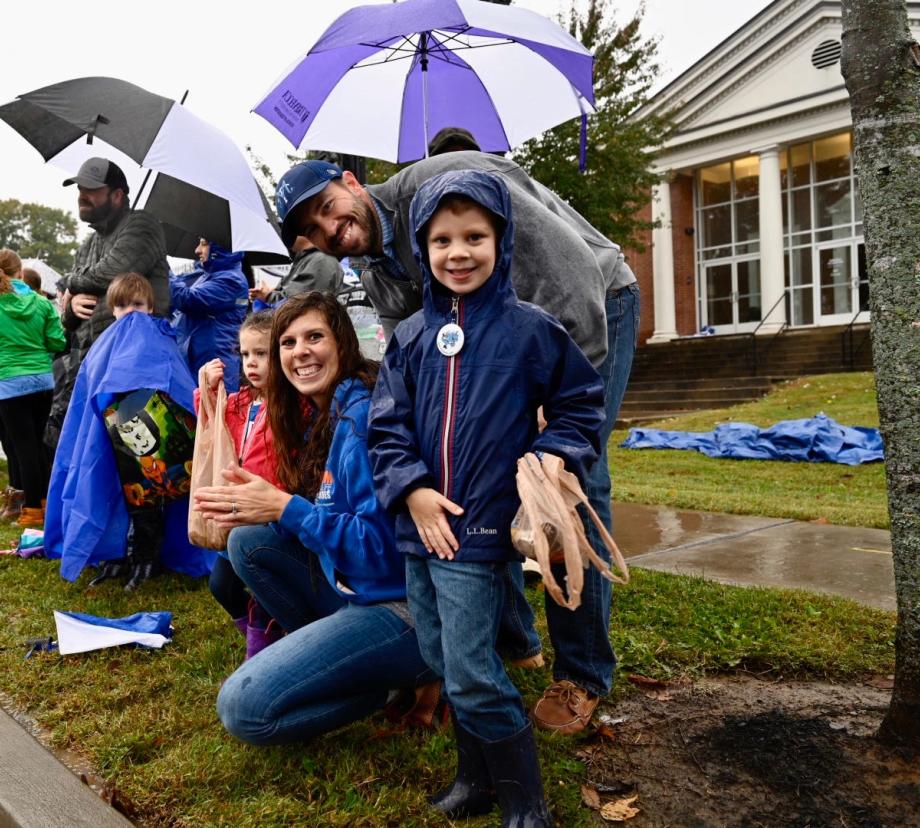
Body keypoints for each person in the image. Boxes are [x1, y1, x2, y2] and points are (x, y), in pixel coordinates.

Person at [276, 153, 640, 733]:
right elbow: (412, 371)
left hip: (590, 306)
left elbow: (568, 280)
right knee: (469, 475)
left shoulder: (454, 184)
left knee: (569, 485)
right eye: (315, 233)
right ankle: (516, 636)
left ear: (350, 183)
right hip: (494, 342)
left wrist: (553, 427)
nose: (330, 232)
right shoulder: (377, 270)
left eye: (328, 209)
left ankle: (582, 672)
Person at [370, 171, 604, 826]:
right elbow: (385, 428)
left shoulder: (531, 331)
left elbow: (579, 404)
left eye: (475, 235)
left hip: (478, 532)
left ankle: (526, 801)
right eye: (441, 239)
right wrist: (411, 488)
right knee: (440, 656)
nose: (459, 252)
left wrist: (556, 448)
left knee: (471, 667)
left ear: (500, 239)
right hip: (422, 533)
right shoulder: (412, 337)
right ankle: (475, 777)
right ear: (422, 250)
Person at [194, 292, 435, 746]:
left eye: (314, 337)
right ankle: (337, 663)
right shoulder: (325, 414)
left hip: (402, 607)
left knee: (243, 710)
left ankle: (382, 685)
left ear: (342, 342)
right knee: (248, 542)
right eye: (287, 342)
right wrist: (265, 508)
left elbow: (382, 555)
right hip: (355, 591)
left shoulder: (362, 417)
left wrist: (285, 507)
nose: (299, 351)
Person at [46, 274, 210, 587]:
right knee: (116, 495)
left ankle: (147, 559)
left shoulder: (159, 336)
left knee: (149, 499)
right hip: (115, 433)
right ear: (112, 308)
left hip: (153, 436)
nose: (129, 313)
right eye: (121, 306)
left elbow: (175, 379)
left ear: (150, 306)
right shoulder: (107, 342)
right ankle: (118, 556)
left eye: (137, 304)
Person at [47, 157, 169, 449]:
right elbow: (67, 309)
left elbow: (111, 271)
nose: (82, 196)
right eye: (80, 189)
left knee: (132, 447)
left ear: (117, 195)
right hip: (93, 360)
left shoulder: (142, 224)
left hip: (134, 361)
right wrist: (72, 307)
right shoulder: (88, 244)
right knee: (88, 445)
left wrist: (72, 284)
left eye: (91, 189)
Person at [197, 311, 282, 659]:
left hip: (267, 515)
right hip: (235, 512)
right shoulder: (241, 402)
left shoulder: (288, 404)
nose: (251, 363)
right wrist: (209, 387)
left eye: (261, 354)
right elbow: (212, 420)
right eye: (245, 355)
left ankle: (260, 645)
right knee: (222, 585)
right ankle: (258, 631)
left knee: (261, 588)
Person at [0, 249, 66, 527]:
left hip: (11, 384)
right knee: (38, 443)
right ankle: (46, 503)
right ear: (21, 272)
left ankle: (32, 511)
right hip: (43, 382)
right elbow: (58, 343)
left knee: (24, 450)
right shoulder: (42, 303)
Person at [170, 239, 249, 391]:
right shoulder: (208, 275)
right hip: (199, 368)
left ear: (219, 248)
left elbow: (186, 299)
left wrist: (160, 265)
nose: (197, 250)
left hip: (215, 373)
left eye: (204, 244)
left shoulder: (231, 280)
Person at [249, 236, 345, 306]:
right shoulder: (306, 259)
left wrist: (268, 296)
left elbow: (297, 307)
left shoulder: (321, 261)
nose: (286, 235)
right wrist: (266, 294)